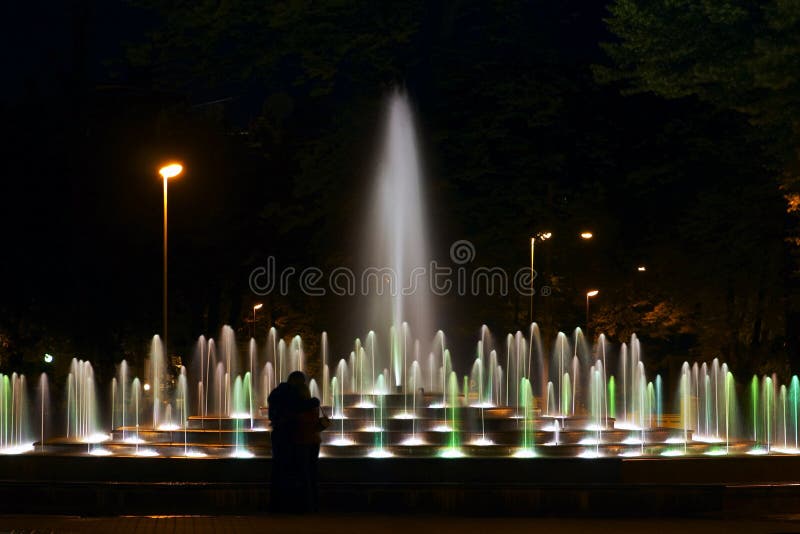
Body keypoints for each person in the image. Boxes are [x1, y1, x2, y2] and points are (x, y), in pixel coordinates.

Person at [267, 371, 306, 513]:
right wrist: (314, 402)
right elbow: (299, 408)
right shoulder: (292, 393)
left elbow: (272, 414)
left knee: (278, 468)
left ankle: (275, 504)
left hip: (277, 433)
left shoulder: (276, 392)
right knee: (290, 468)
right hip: (289, 434)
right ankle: (289, 504)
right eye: (302, 382)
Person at [292, 383, 328, 512]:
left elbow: (299, 422)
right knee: (312, 471)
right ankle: (314, 502)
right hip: (314, 441)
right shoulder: (314, 404)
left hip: (302, 441)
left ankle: (305, 503)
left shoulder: (298, 406)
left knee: (303, 472)